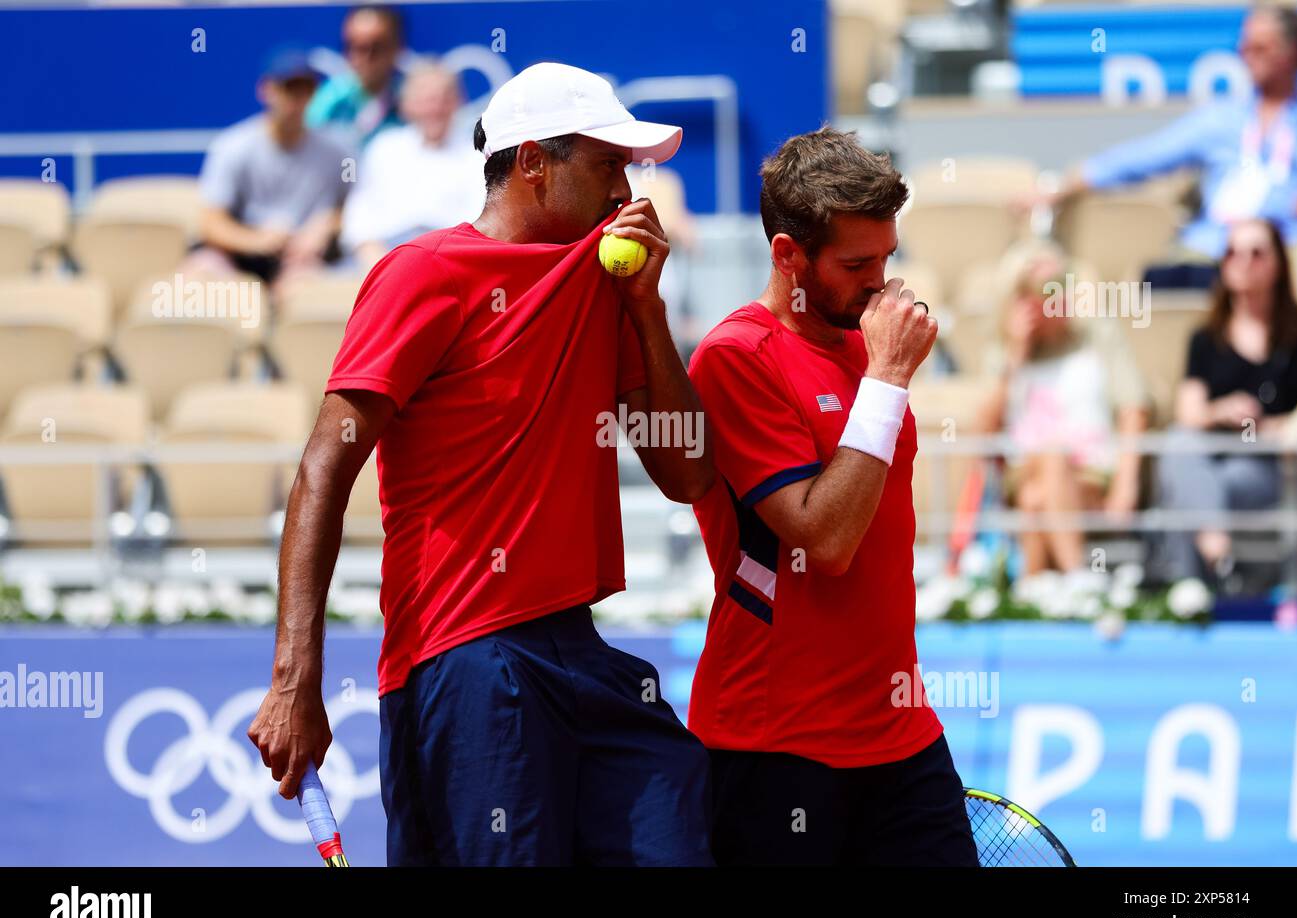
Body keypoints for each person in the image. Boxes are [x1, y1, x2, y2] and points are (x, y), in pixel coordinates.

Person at [247, 62, 715, 866]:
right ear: (533, 162)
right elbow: (324, 467)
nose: (624, 192)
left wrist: (648, 310)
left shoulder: (609, 285)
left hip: (581, 650)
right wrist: (296, 679)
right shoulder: (422, 271)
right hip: (465, 658)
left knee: (680, 831)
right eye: (608, 165)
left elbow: (687, 475)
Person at [686, 127, 977, 865]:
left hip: (901, 733)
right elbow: (828, 541)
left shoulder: (864, 338)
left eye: (886, 257)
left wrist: (880, 370)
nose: (881, 282)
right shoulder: (735, 357)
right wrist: (886, 381)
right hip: (775, 748)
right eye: (856, 264)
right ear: (788, 256)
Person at [1048, 6, 1297, 260]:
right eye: (1245, 48)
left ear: (1292, 52)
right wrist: (1063, 187)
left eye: (1262, 49)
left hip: (1288, 250)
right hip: (1215, 248)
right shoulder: (1222, 118)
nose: (1248, 57)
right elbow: (1147, 155)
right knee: (1161, 276)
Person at [977, 241, 1150, 576]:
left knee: (1034, 500)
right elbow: (983, 434)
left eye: (1064, 283)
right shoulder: (1004, 353)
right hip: (1023, 469)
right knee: (1050, 459)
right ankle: (1078, 578)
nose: (1060, 296)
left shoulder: (1096, 336)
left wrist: (1125, 487)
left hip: (1089, 474)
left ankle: (1036, 588)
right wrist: (1015, 357)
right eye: (1045, 290)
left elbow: (1133, 407)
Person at [1155, 217, 1297, 584]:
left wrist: (1261, 425)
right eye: (1233, 252)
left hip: (1265, 465)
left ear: (1278, 263)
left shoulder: (1295, 337)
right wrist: (1223, 410)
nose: (1243, 262)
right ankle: (1218, 556)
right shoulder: (1206, 338)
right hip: (1208, 453)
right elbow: (1188, 414)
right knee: (1179, 448)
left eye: (1256, 252)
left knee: (1184, 490)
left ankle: (1186, 593)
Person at [189, 49, 350, 287]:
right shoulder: (233, 145)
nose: (297, 99)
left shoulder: (337, 151)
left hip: (303, 260)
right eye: (288, 88)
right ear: (266, 90)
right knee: (200, 271)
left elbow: (359, 210)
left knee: (309, 286)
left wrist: (324, 226)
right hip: (239, 256)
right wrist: (258, 241)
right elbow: (211, 223)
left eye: (305, 89)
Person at [341, 62, 486, 269]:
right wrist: (375, 257)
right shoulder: (384, 148)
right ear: (407, 104)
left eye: (443, 99)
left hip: (450, 260)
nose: (434, 108)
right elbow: (359, 214)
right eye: (426, 100)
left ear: (457, 102)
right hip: (383, 258)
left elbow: (479, 223)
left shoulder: (476, 156)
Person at [307, 5, 405, 149]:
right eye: (354, 46)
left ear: (396, 48)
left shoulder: (413, 101)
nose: (364, 57)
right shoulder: (329, 101)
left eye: (375, 47)